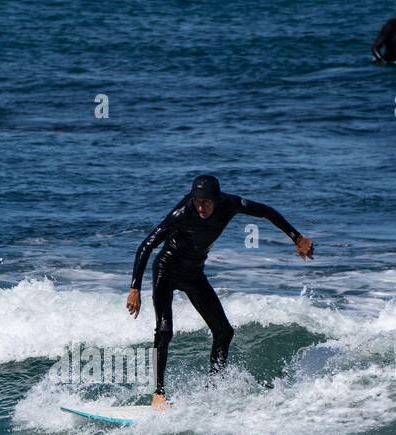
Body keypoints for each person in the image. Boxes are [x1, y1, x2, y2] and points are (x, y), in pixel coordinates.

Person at [125, 175, 313, 408]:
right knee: (164, 331)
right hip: (167, 270)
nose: (201, 207)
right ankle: (158, 394)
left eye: (206, 202)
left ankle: (214, 388)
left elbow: (266, 211)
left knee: (224, 332)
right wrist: (135, 287)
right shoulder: (182, 213)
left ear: (216, 199)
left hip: (194, 273)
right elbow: (146, 245)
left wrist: (297, 237)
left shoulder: (229, 204)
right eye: (197, 201)